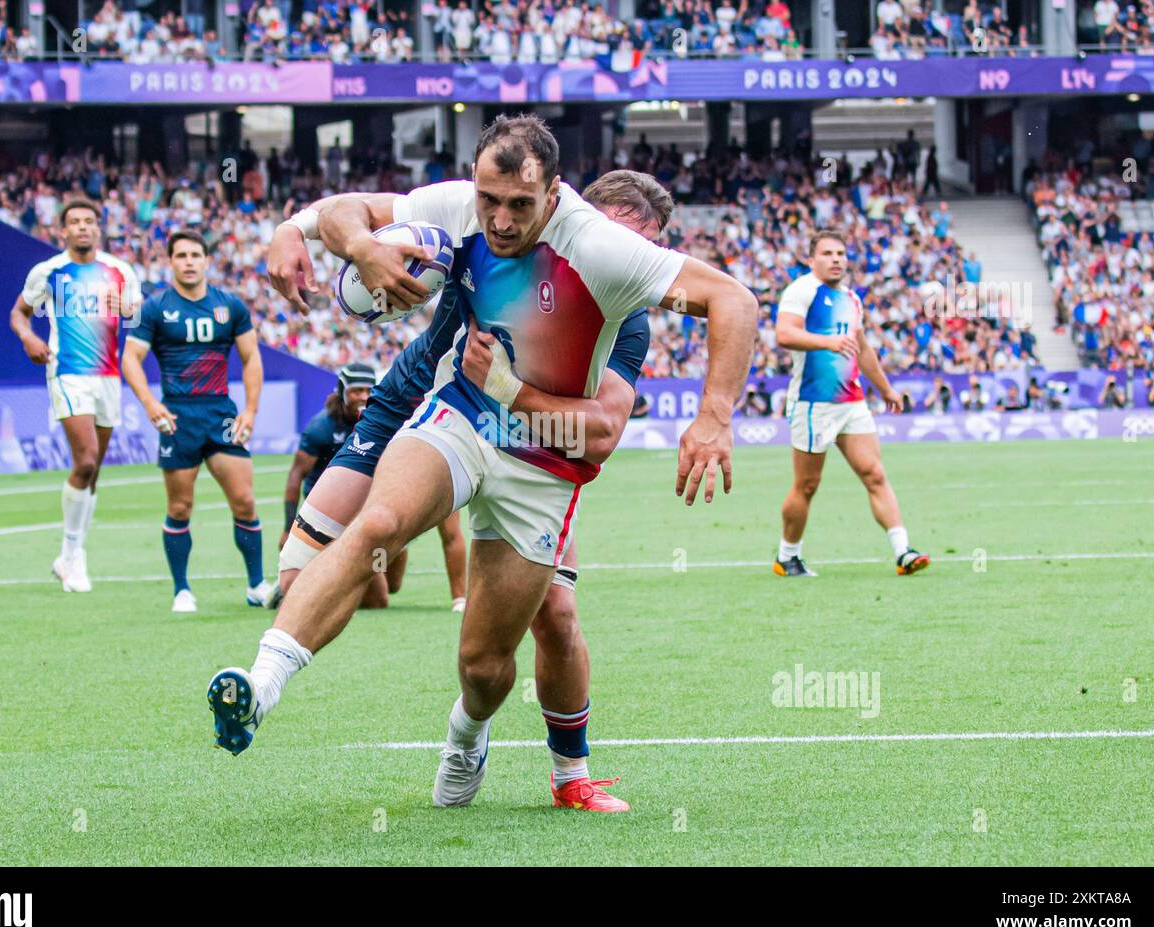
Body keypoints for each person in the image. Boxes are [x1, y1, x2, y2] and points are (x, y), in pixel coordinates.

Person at [209, 116, 756, 812]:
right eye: (488, 200)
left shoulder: (604, 258)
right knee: (378, 523)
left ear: (553, 195)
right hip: (458, 416)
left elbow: (729, 300)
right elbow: (348, 211)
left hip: (544, 466)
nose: (497, 221)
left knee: (485, 663)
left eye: (518, 206)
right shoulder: (460, 207)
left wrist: (713, 418)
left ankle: (469, 738)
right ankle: (260, 688)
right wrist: (320, 237)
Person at [121, 229, 270, 613]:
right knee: (180, 507)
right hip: (177, 417)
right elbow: (130, 360)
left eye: (195, 255)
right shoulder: (154, 308)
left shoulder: (231, 306)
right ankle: (182, 590)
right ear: (170, 262)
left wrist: (250, 410)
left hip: (220, 413)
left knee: (245, 501)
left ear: (206, 261)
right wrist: (151, 404)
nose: (188, 262)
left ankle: (256, 585)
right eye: (181, 255)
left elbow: (252, 358)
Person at [772, 230, 930, 578]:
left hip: (852, 401)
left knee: (874, 473)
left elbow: (862, 348)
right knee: (807, 485)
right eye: (827, 253)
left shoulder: (851, 299)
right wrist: (827, 342)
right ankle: (787, 557)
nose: (836, 259)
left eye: (841, 253)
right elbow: (784, 334)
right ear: (811, 259)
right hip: (813, 403)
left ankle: (903, 551)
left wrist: (886, 390)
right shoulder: (802, 291)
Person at [10, 199, 141, 593]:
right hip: (67, 374)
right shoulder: (48, 272)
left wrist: (129, 309)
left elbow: (135, 315)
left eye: (89, 221)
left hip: (108, 377)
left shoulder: (119, 270)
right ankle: (72, 556)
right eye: (75, 222)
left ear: (98, 229)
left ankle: (71, 553)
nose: (83, 227)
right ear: (62, 231)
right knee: (84, 461)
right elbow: (19, 312)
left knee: (94, 472)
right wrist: (28, 337)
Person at [280, 362, 466, 610]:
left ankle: (459, 598)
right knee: (379, 599)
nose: (362, 397)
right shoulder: (320, 428)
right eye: (356, 391)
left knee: (393, 584)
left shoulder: (390, 420)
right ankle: (314, 577)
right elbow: (295, 476)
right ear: (342, 392)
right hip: (333, 515)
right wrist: (287, 525)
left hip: (374, 505)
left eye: (367, 391)